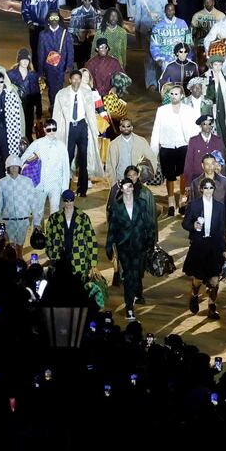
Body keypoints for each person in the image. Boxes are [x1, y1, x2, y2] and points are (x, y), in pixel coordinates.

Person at [106, 164, 159, 321]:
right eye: (126, 187)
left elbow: (149, 224)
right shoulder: (117, 208)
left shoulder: (141, 205)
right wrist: (109, 246)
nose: (128, 189)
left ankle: (134, 296)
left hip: (139, 245)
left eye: (131, 186)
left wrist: (151, 242)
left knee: (135, 275)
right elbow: (113, 228)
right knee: (129, 275)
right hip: (123, 247)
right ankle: (129, 307)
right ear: (122, 189)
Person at [41, 190, 100, 309]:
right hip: (59, 261)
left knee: (79, 290)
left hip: (79, 261)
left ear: (74, 200)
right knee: (60, 289)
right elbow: (49, 239)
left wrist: (93, 263)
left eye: (71, 200)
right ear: (63, 201)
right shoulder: (54, 218)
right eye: (66, 201)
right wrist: (52, 255)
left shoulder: (83, 217)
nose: (68, 203)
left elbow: (91, 240)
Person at [183, 169, 226, 319]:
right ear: (201, 189)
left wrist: (224, 248)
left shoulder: (220, 206)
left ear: (214, 189)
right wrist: (193, 225)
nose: (208, 190)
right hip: (199, 245)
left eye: (211, 187)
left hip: (214, 246)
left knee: (215, 279)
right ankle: (194, 294)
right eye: (206, 188)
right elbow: (185, 223)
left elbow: (222, 229)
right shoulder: (194, 205)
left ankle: (211, 306)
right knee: (198, 278)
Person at [51, 67, 103, 195]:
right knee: (67, 156)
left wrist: (94, 129)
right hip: (69, 128)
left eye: (78, 79)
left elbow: (90, 112)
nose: (76, 81)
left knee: (83, 157)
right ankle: (65, 187)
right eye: (74, 79)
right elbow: (56, 114)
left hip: (81, 126)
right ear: (70, 80)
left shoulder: (86, 93)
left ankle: (82, 188)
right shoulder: (62, 94)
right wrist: (55, 132)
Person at [150, 82, 198, 213]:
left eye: (176, 94)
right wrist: (153, 150)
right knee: (169, 175)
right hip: (167, 146)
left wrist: (194, 147)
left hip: (183, 145)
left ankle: (182, 200)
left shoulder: (189, 111)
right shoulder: (162, 110)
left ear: (182, 95)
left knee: (184, 174)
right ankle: (171, 201)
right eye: (171, 94)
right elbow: (156, 130)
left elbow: (194, 130)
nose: (173, 96)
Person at [23, 119, 72, 218]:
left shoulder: (61, 146)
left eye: (54, 129)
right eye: (49, 130)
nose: (52, 132)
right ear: (44, 130)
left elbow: (66, 168)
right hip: (41, 184)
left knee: (55, 212)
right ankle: (36, 232)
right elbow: (23, 158)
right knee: (38, 212)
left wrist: (65, 189)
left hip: (55, 184)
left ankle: (52, 233)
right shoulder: (37, 143)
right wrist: (34, 157)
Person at [0, 154, 41, 247]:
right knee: (9, 247)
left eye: (16, 166)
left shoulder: (27, 182)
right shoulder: (1, 183)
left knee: (20, 247)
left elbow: (33, 203)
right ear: (7, 168)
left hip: (23, 221)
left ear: (19, 167)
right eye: (11, 167)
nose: (14, 169)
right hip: (7, 221)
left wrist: (37, 222)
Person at [181, 112, 226, 199]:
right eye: (204, 124)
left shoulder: (218, 140)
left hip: (214, 180)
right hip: (197, 180)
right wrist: (187, 183)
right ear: (200, 125)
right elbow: (189, 162)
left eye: (209, 124)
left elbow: (222, 162)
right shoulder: (193, 141)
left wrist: (223, 181)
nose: (207, 126)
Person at [105, 116, 153, 191]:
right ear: (120, 128)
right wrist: (113, 184)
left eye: (128, 126)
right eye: (123, 126)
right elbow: (110, 165)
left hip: (138, 180)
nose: (126, 128)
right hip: (121, 180)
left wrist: (146, 176)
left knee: (138, 200)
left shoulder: (141, 141)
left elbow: (151, 158)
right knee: (124, 201)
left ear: (132, 128)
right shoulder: (113, 144)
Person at [37, 10, 74, 106]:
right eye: (52, 18)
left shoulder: (65, 33)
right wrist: (41, 71)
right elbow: (41, 52)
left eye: (56, 18)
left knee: (60, 87)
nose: (54, 20)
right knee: (51, 88)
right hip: (48, 67)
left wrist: (69, 65)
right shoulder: (43, 34)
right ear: (48, 19)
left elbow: (70, 50)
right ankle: (53, 106)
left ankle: (58, 106)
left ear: (59, 19)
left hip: (61, 67)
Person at [7, 48, 44, 136]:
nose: (25, 62)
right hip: (14, 110)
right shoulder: (10, 74)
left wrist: (39, 116)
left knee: (28, 133)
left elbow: (37, 96)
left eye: (27, 59)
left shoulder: (33, 76)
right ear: (19, 60)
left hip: (29, 110)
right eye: (23, 59)